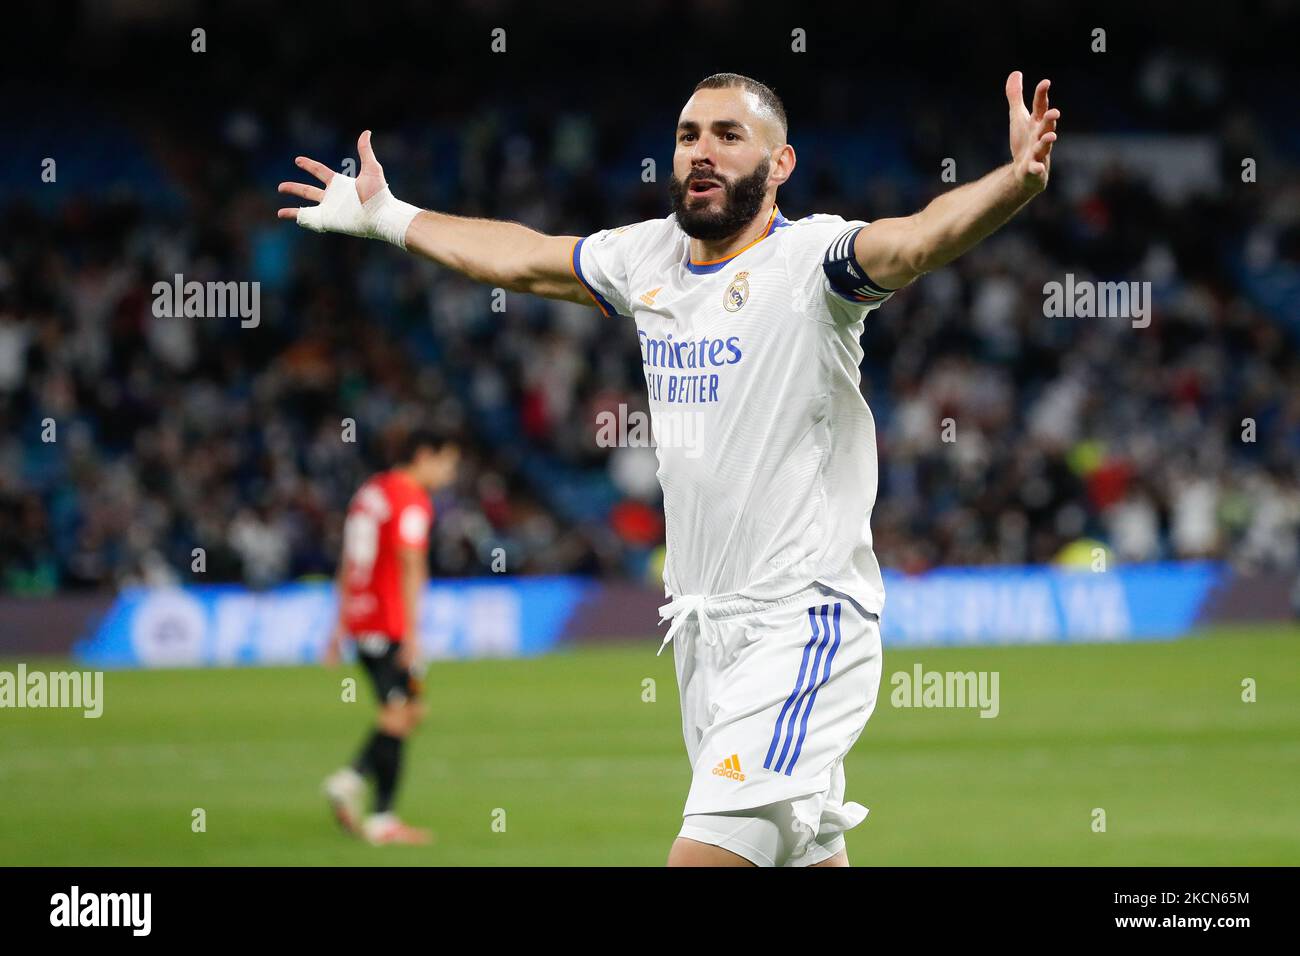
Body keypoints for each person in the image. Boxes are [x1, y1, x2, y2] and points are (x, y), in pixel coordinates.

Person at [280, 70, 1059, 865]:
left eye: (728, 136)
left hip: (802, 622)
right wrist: (389, 215)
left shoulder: (811, 262)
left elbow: (919, 238)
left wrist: (1013, 183)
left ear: (781, 163)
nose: (702, 153)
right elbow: (522, 259)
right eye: (689, 135)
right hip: (703, 631)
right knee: (805, 855)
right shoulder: (648, 255)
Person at [321, 429, 460, 846]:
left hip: (363, 618)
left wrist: (339, 624)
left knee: (409, 708)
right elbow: (411, 563)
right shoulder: (410, 498)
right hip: (388, 623)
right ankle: (379, 816)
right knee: (399, 713)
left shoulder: (371, 492)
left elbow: (349, 560)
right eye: (447, 462)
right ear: (423, 455)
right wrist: (413, 634)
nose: (450, 474)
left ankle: (353, 783)